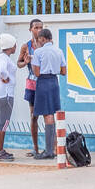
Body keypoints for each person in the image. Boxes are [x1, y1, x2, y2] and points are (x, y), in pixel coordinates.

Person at [29, 28, 67, 160]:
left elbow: (37, 73)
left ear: (43, 39)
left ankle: (49, 150)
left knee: (47, 115)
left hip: (43, 82)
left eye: (39, 39)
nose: (38, 42)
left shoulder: (38, 52)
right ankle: (54, 148)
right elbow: (63, 71)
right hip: (54, 82)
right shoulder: (59, 51)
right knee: (53, 113)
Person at [16, 18, 43, 157]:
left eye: (40, 27)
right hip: (32, 83)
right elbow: (18, 63)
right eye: (36, 28)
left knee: (49, 115)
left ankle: (54, 147)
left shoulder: (47, 44)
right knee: (33, 116)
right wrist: (25, 62)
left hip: (44, 83)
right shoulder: (26, 46)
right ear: (30, 29)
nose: (39, 30)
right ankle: (35, 148)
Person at [0, 33, 18, 162]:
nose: (16, 46)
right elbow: (2, 71)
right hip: (5, 94)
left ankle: (0, 150)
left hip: (0, 94)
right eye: (14, 44)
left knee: (2, 122)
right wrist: (6, 78)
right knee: (4, 123)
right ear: (10, 46)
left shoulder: (1, 57)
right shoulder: (3, 59)